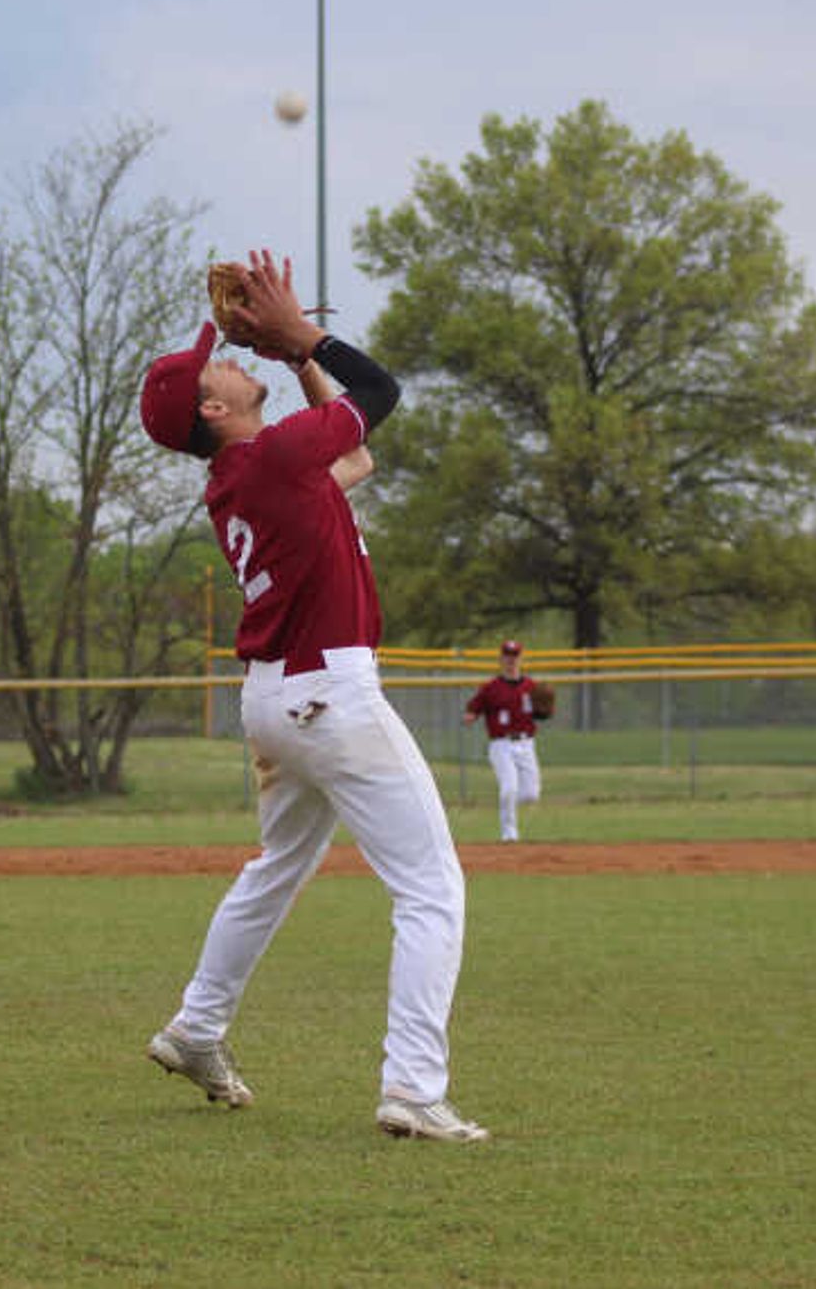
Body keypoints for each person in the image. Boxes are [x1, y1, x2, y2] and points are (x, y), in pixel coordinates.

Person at [138, 249, 487, 1144]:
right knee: (432, 887)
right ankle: (412, 1087)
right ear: (214, 411)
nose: (226, 354)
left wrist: (296, 362)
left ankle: (195, 1029)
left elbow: (356, 451)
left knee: (277, 869)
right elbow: (382, 391)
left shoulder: (248, 477)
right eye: (215, 364)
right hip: (330, 694)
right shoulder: (277, 460)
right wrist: (305, 334)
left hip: (274, 700)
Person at [463, 639, 543, 843]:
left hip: (526, 743)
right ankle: (509, 834)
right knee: (509, 788)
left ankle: (506, 804)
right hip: (501, 745)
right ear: (501, 659)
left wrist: (545, 712)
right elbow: (473, 709)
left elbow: (541, 713)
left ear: (520, 658)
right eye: (507, 655)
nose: (511, 660)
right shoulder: (491, 688)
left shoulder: (531, 686)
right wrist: (471, 716)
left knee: (531, 794)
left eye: (514, 655)